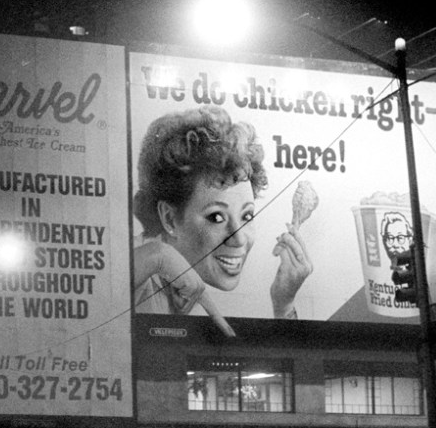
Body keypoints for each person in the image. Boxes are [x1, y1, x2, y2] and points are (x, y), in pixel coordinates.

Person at [131, 107, 312, 328]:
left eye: (246, 216)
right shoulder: (137, 274)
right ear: (169, 219)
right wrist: (157, 256)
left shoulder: (195, 286)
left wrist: (284, 304)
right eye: (216, 217)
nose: (239, 239)